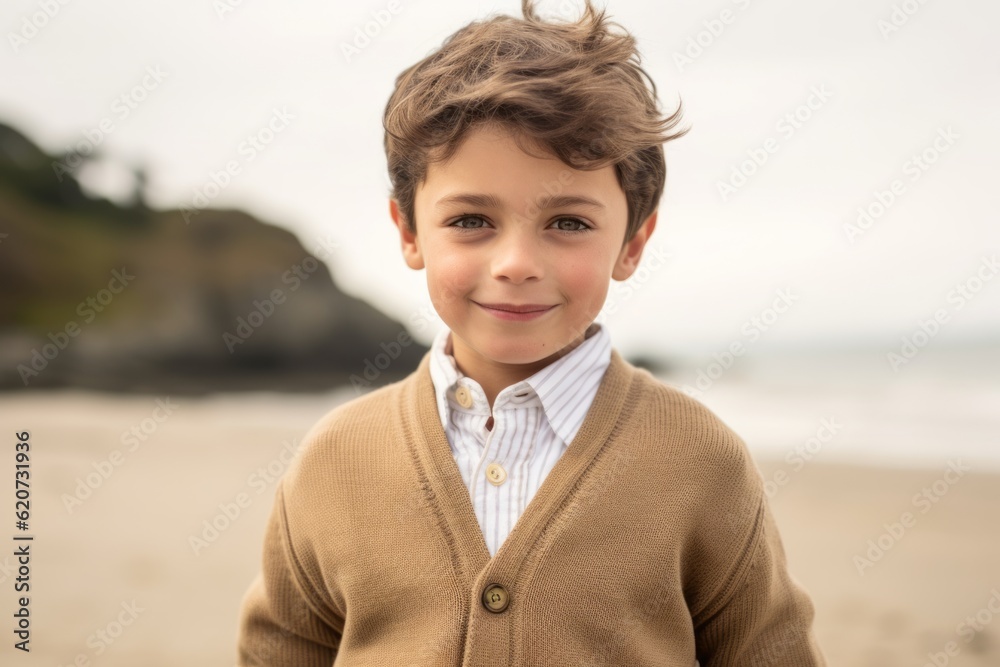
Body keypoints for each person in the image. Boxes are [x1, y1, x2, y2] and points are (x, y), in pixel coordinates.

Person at [236, 1, 828, 664]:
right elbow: (280, 648)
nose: (516, 264)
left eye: (568, 222)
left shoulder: (702, 460)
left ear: (632, 242)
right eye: (470, 220)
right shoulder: (334, 458)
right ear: (408, 231)